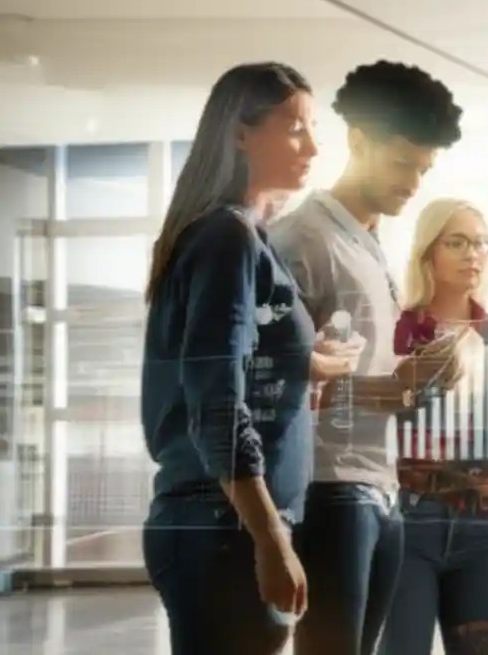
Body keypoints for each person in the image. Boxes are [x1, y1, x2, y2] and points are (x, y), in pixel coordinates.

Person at [141, 62, 353, 654]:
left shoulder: (246, 239)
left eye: (314, 129)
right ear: (239, 133)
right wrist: (270, 539)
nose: (312, 146)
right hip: (223, 527)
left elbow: (230, 358)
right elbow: (215, 400)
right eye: (294, 128)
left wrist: (305, 363)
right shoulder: (225, 238)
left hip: (227, 525)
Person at [269, 60, 465, 655]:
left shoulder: (371, 244)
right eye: (403, 163)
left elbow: (360, 373)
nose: (414, 182)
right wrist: (391, 388)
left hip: (380, 487)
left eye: (424, 168)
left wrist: (417, 380)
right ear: (357, 142)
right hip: (330, 490)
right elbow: (271, 382)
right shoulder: (301, 238)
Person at [380, 198, 488, 655]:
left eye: (481, 243)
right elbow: (377, 426)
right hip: (409, 523)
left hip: (483, 527)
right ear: (429, 252)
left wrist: (481, 478)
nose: (473, 253)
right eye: (457, 242)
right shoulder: (398, 333)